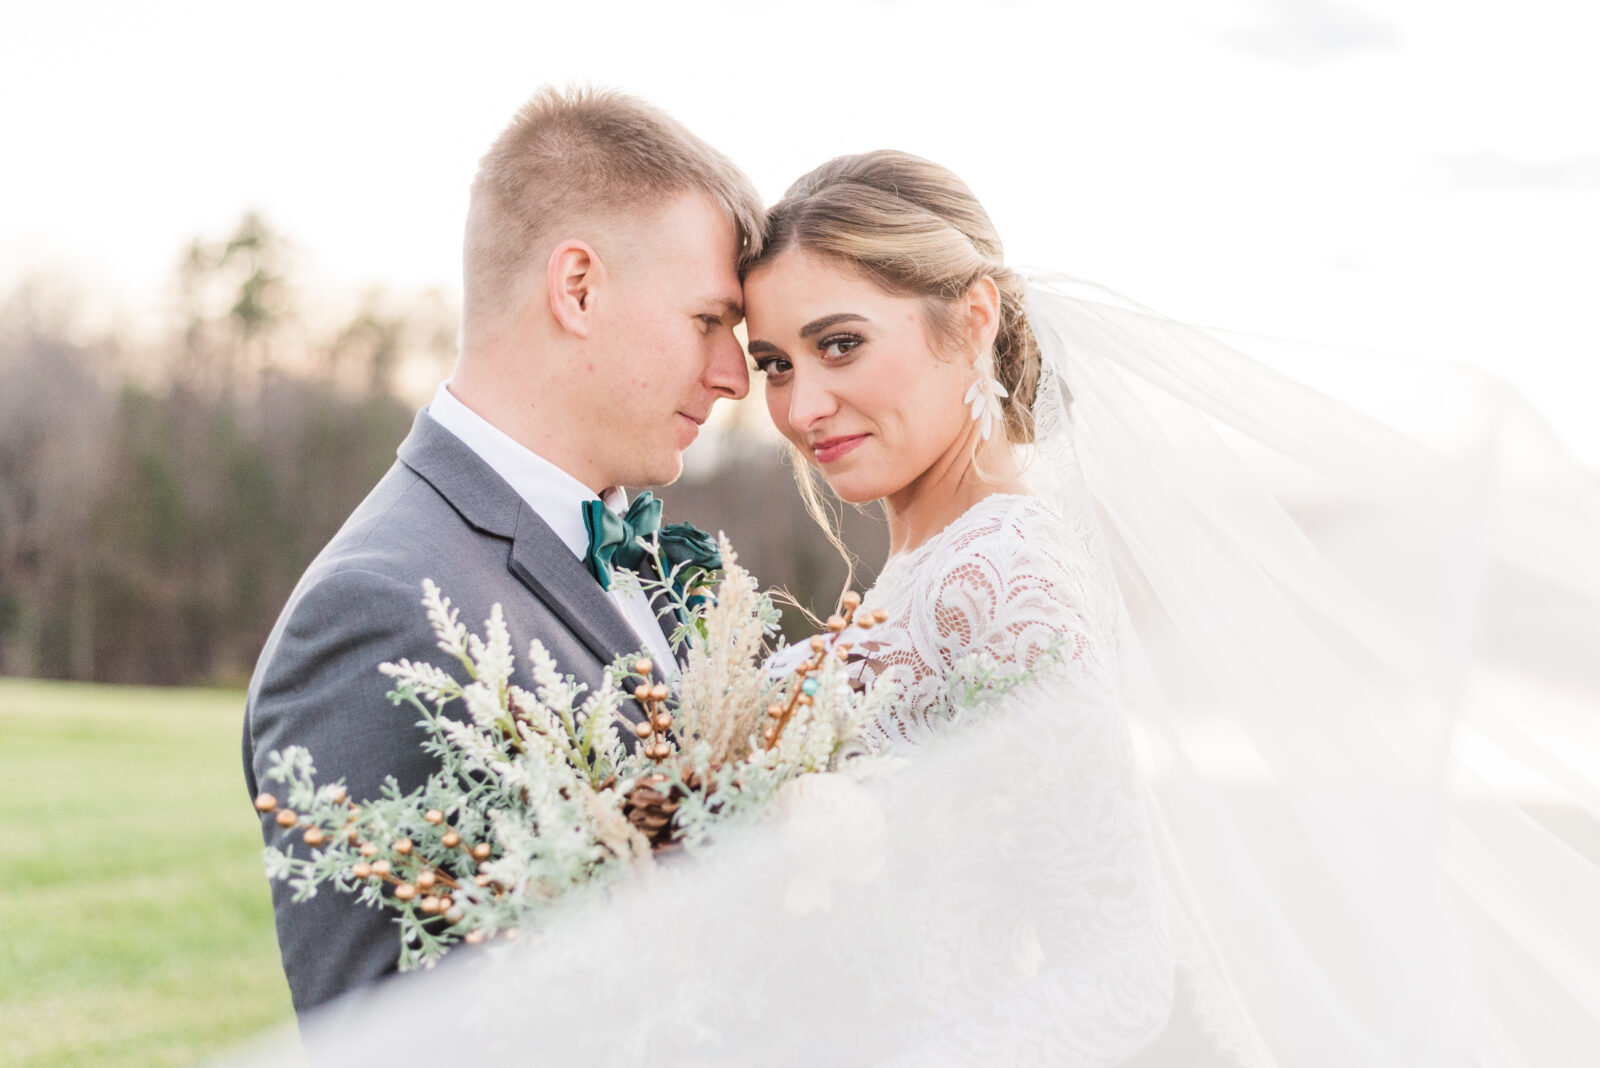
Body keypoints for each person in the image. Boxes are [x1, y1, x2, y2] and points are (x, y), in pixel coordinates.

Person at [237, 147, 1600, 1066]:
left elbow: (1119, 964)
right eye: (769, 358)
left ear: (969, 322)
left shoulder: (1004, 576)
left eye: (842, 345)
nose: (796, 403)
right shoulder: (923, 567)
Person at [241, 86, 763, 1017]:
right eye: (707, 322)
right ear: (578, 288)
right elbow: (393, 1040)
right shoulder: (378, 613)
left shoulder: (656, 559)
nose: (733, 376)